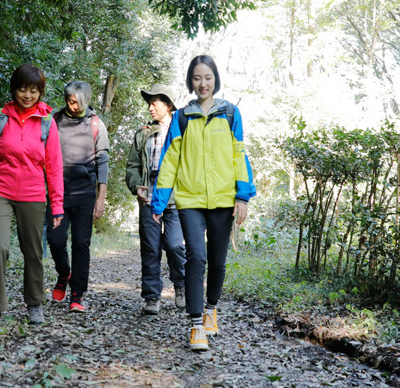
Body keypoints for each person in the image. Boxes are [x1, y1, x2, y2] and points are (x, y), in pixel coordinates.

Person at [150, 55, 255, 351]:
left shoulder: (231, 113)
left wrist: (242, 196)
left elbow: (239, 156)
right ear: (190, 81)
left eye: (207, 77)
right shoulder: (182, 117)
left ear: (215, 79)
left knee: (218, 261)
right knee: (196, 257)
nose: (203, 83)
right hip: (190, 199)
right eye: (197, 78)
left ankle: (211, 308)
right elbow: (170, 159)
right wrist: (159, 202)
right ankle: (197, 325)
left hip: (223, 199)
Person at [0, 64, 64, 330]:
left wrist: (57, 205)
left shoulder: (46, 122)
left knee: (33, 252)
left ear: (40, 92)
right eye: (22, 89)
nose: (27, 95)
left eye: (33, 90)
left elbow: (54, 167)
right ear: (14, 90)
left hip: (32, 195)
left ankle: (34, 304)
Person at [46, 81, 110, 313]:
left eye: (78, 102)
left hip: (85, 194)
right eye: (70, 101)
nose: (73, 106)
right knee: (55, 240)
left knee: (82, 244)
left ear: (86, 100)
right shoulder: (55, 121)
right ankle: (64, 273)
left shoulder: (95, 124)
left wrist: (100, 198)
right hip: (58, 193)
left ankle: (77, 294)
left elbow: (102, 161)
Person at [125, 84, 186, 315]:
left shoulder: (182, 130)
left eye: (155, 103)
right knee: (150, 248)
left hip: (176, 201)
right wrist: (135, 185)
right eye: (149, 103)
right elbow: (132, 166)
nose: (150, 107)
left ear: (168, 105)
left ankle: (180, 285)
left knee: (174, 245)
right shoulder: (143, 132)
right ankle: (152, 297)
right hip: (148, 199)